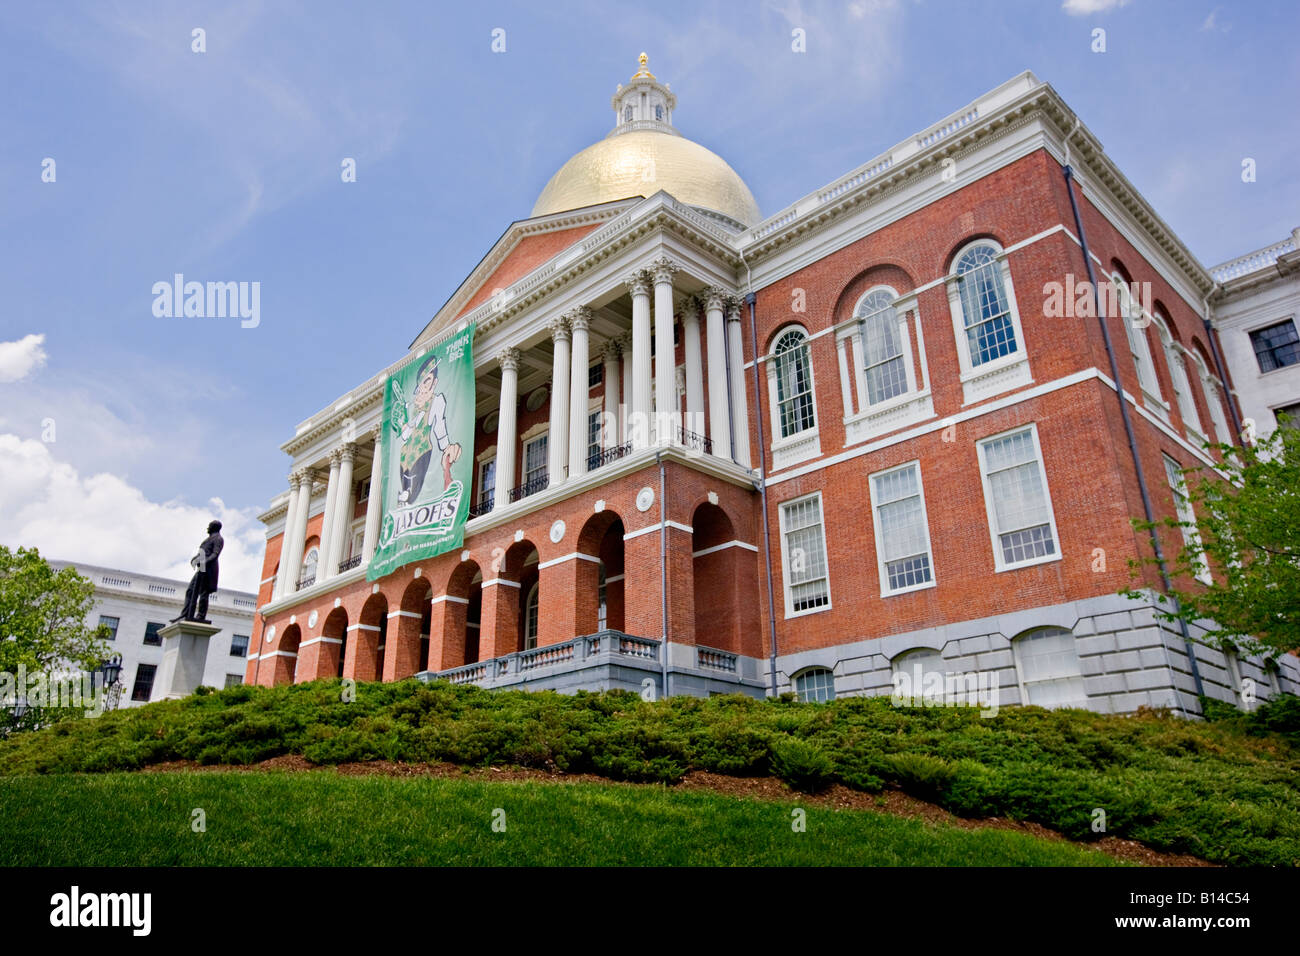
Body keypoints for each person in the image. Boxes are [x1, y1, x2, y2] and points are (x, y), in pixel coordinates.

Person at [395, 355, 462, 504]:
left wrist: (447, 448)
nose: (424, 387)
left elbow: (440, 429)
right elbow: (405, 436)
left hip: (422, 452)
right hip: (405, 455)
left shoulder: (437, 401)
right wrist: (405, 424)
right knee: (405, 497)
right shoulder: (410, 406)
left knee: (413, 494)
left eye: (428, 381)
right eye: (421, 383)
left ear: (435, 382)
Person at [172, 520, 224, 623]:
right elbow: (201, 553)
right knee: (190, 590)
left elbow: (215, 554)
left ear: (214, 527)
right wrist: (195, 558)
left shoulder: (218, 539)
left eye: (209, 526)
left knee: (204, 593)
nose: (207, 528)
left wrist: (204, 561)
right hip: (202, 568)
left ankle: (201, 615)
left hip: (209, 569)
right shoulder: (207, 540)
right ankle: (185, 613)